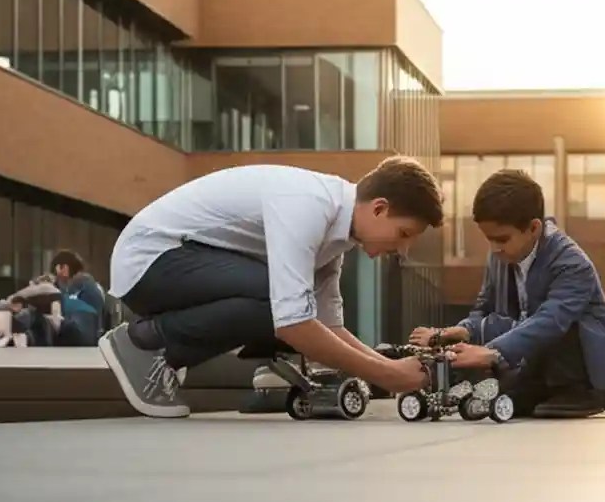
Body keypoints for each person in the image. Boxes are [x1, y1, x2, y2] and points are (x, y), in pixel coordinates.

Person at [100, 157, 441, 418]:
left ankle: (167, 344)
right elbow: (292, 323)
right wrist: (388, 374)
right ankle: (145, 344)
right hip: (150, 258)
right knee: (281, 300)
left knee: (289, 300)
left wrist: (388, 369)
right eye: (404, 234)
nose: (403, 249)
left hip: (185, 263)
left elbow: (329, 324)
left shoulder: (336, 239)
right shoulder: (310, 206)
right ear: (379, 209)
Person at [409, 169, 605, 418]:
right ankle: (557, 391)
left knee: (556, 325)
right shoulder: (499, 256)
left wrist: (493, 353)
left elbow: (552, 320)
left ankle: (583, 391)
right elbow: (484, 309)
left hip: (577, 353)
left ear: (534, 228)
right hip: (530, 357)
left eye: (501, 239)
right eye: (489, 240)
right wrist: (461, 331)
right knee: (509, 402)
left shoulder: (572, 263)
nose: (494, 249)